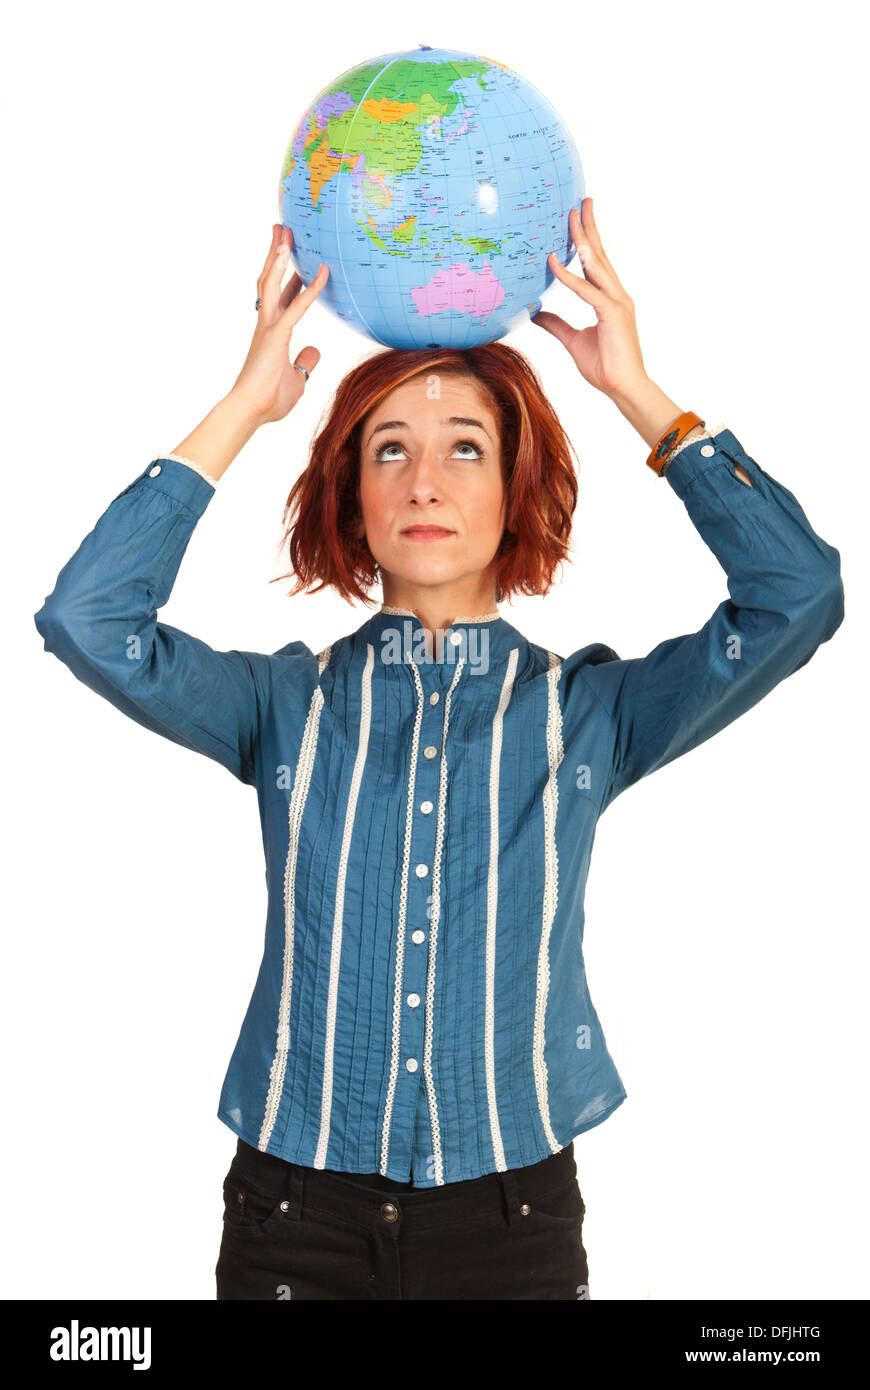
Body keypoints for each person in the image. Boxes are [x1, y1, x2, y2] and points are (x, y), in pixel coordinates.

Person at [33, 201, 844, 1301]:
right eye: (390, 451)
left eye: (467, 449)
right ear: (351, 497)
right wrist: (247, 405)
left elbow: (797, 596)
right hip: (293, 1215)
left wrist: (637, 393)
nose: (425, 482)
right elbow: (89, 621)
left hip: (511, 1220)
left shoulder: (587, 714)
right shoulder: (282, 706)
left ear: (513, 490)